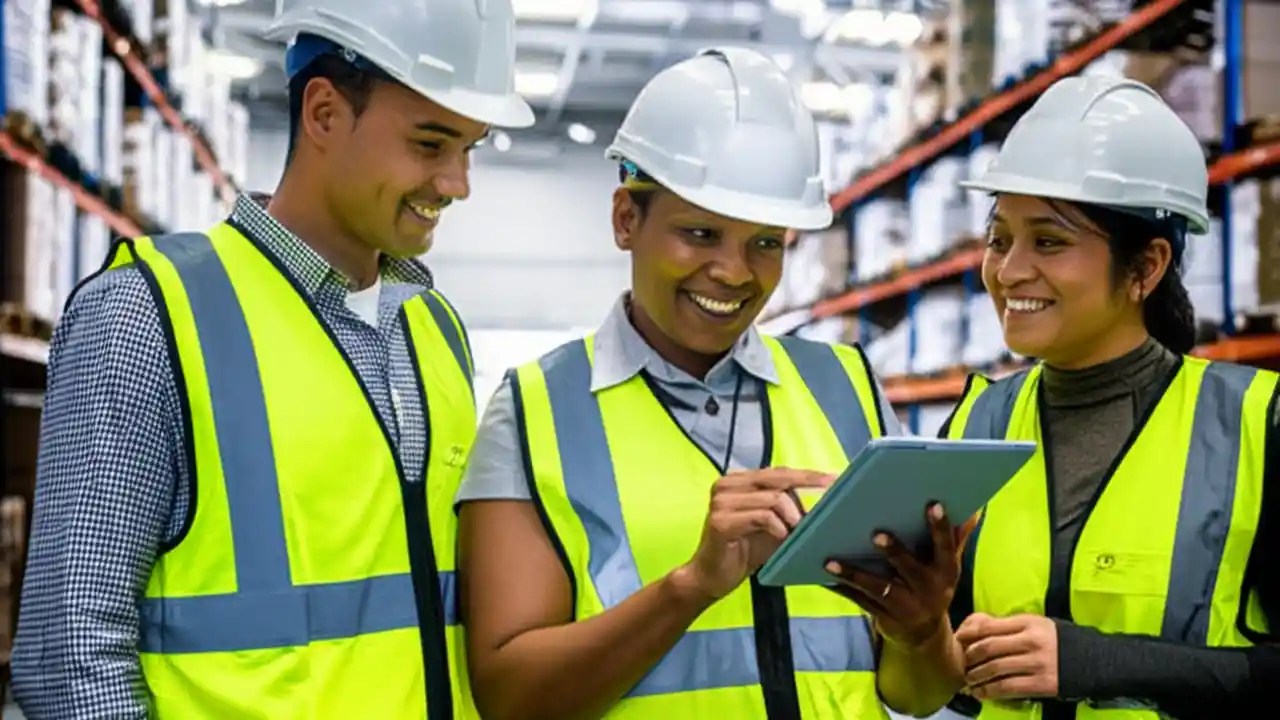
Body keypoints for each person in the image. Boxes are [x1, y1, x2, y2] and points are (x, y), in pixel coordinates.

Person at [10, 2, 533, 718]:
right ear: (323, 113)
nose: (458, 183)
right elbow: (70, 656)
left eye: (471, 148)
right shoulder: (148, 317)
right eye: (431, 143)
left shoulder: (433, 326)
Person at [454, 47, 972, 720]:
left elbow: (922, 693)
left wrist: (921, 629)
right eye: (700, 234)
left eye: (766, 243)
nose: (733, 272)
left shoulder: (845, 387)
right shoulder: (533, 413)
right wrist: (691, 586)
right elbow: (510, 698)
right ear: (625, 220)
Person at [941, 74, 1280, 719]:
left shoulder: (1256, 425)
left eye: (1049, 241)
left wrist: (1099, 662)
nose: (1009, 270)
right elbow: (943, 683)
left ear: (1147, 267)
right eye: (998, 238)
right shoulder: (977, 422)